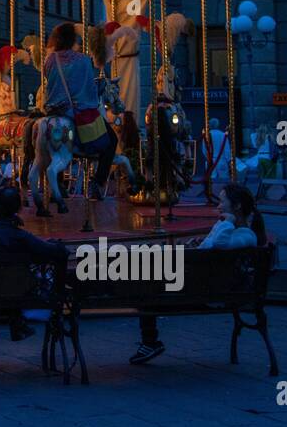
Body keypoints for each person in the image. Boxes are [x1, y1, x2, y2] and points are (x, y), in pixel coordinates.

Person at [131, 183, 264, 364]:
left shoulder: (245, 235)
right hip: (202, 281)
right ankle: (149, 340)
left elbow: (219, 244)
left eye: (222, 202)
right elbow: (212, 244)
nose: (218, 206)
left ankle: (150, 341)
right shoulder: (230, 230)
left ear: (237, 206)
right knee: (146, 279)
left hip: (207, 288)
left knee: (146, 289)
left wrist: (228, 221)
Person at [0, 185, 69, 371]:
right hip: (14, 294)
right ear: (17, 210)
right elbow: (52, 251)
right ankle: (16, 320)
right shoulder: (20, 236)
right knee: (10, 284)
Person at [44, 22, 117, 200]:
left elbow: (49, 79)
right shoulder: (83, 60)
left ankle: (58, 183)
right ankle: (98, 183)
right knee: (112, 140)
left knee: (56, 149)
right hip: (76, 111)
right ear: (73, 40)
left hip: (54, 112)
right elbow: (89, 91)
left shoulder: (50, 60)